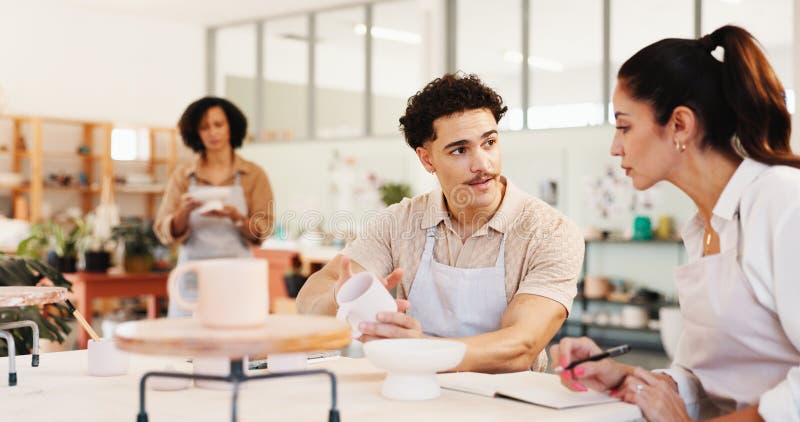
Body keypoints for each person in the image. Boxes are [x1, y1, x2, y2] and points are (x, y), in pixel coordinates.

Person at [550, 25, 800, 422]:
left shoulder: (783, 202)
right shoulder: (701, 229)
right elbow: (707, 378)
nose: (616, 147)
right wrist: (626, 379)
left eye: (625, 126)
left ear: (680, 125)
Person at [296, 73, 584, 373]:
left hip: (508, 407)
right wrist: (341, 295)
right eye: (460, 150)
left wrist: (421, 351)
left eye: (489, 142)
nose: (482, 164)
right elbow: (308, 304)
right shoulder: (399, 223)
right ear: (427, 159)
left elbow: (520, 346)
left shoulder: (551, 232)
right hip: (415, 394)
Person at [154, 96, 275, 316]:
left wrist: (237, 216)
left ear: (231, 126)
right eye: (204, 127)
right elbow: (164, 229)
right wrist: (186, 210)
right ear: (195, 133)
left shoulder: (254, 175)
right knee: (189, 346)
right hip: (193, 281)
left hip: (239, 280)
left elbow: (263, 229)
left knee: (241, 344)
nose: (213, 132)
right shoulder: (183, 175)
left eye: (218, 124)